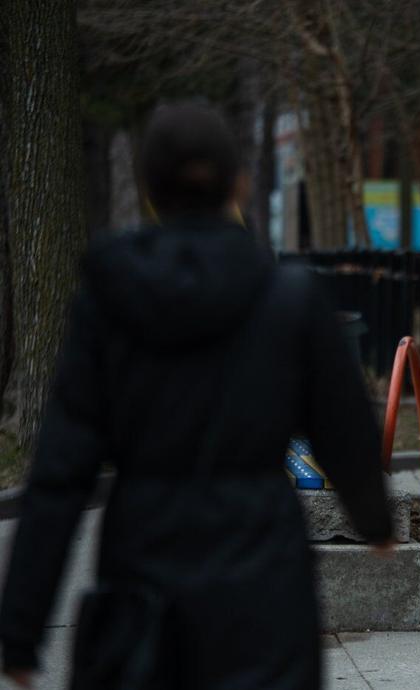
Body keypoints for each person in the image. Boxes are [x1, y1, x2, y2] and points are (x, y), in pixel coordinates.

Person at [0, 102, 393, 688]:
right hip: (263, 575)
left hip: (144, 571)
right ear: (239, 183)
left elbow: (61, 470)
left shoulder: (110, 300)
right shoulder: (288, 300)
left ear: (151, 189)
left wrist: (21, 630)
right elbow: (344, 429)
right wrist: (374, 522)